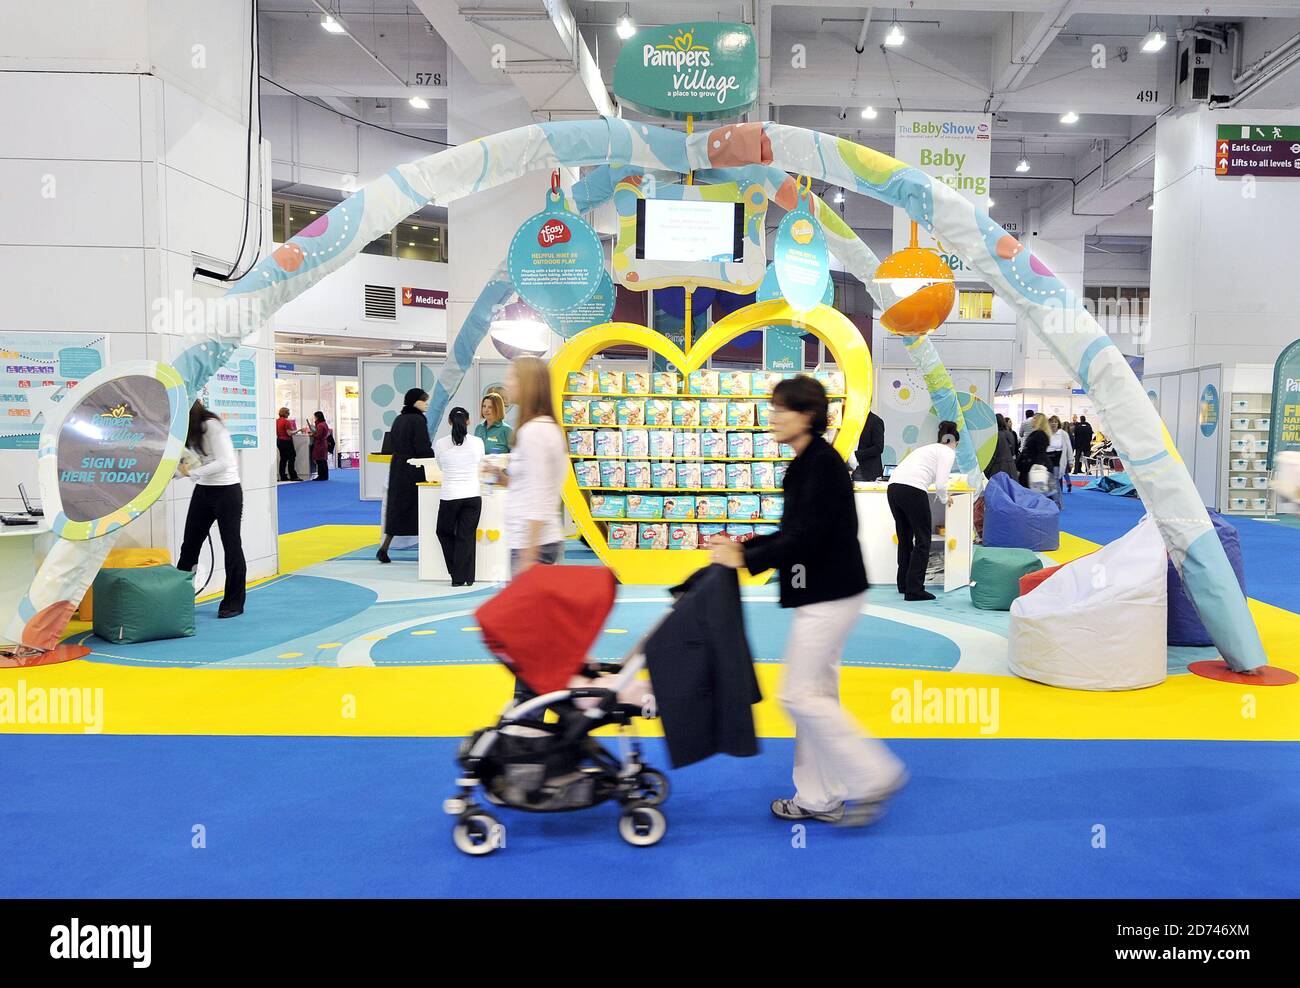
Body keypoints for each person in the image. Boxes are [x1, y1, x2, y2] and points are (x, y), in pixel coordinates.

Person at [709, 376, 905, 827]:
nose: (773, 417)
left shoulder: (820, 464)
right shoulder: (811, 462)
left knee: (798, 694)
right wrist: (747, 548)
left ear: (808, 416)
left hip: (829, 594)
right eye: (773, 408)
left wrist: (745, 554)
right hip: (829, 590)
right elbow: (799, 531)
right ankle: (819, 797)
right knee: (815, 695)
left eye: (783, 409)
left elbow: (805, 536)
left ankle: (876, 775)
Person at [485, 356, 567, 575]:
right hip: (535, 541)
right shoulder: (544, 428)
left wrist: (528, 557)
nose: (507, 382)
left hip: (532, 545)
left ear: (527, 383)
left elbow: (539, 495)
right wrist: (501, 477)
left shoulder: (534, 432)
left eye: (512, 376)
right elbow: (533, 483)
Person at [177, 401, 246, 619]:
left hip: (227, 491)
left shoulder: (211, 425)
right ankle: (177, 599)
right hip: (203, 491)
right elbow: (195, 462)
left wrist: (192, 474)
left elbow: (225, 461)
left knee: (231, 546)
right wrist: (179, 473)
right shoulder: (187, 429)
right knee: (189, 546)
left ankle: (234, 602)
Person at [887, 421, 959, 601]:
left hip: (893, 488)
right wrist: (945, 498)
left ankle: (903, 584)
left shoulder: (928, 449)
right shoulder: (947, 452)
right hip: (913, 490)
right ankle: (915, 589)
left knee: (905, 538)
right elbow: (942, 484)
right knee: (923, 539)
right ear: (954, 442)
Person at [376, 388, 435, 564]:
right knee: (421, 508)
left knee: (397, 508)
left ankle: (385, 547)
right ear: (414, 401)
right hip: (414, 469)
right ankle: (427, 551)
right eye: (424, 400)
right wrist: (433, 461)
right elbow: (422, 447)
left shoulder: (399, 419)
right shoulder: (418, 420)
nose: (427, 403)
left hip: (397, 468)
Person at [434, 406, 485, 586]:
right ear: (468, 421)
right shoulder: (478, 442)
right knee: (466, 536)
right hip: (473, 495)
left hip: (450, 496)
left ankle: (457, 575)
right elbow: (480, 462)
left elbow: (441, 467)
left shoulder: (440, 444)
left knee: (443, 532)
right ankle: (467, 577)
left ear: (449, 422)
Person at [1017, 412, 1053, 490]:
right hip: (1030, 467)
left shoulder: (1040, 435)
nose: (1032, 420)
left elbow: (1040, 453)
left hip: (1032, 468)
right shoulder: (1038, 434)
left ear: (1039, 421)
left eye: (1034, 419)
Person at [852, 409, 885, 482]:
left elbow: (878, 447)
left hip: (865, 470)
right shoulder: (851, 419)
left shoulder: (875, 421)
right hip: (849, 468)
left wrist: (856, 455)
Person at [984, 413, 1018, 482]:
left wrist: (986, 470)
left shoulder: (995, 436)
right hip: (1011, 468)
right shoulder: (1010, 434)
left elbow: (993, 455)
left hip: (998, 468)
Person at [1048, 415, 1074, 504]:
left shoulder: (1063, 434)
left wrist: (1070, 461)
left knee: (1055, 480)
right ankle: (1050, 501)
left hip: (1058, 459)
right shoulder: (1046, 433)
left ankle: (1057, 502)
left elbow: (1069, 448)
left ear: (1058, 423)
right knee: (1048, 481)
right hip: (1047, 459)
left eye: (1055, 422)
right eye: (1051, 422)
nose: (1053, 424)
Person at [275, 407, 300, 482]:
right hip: (287, 442)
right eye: (288, 412)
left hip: (279, 441)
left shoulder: (276, 421)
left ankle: (283, 476)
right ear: (285, 413)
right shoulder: (286, 422)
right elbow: (289, 433)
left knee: (283, 459)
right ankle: (293, 476)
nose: (289, 414)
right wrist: (299, 430)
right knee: (291, 458)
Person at [310, 411, 332, 481]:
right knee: (323, 460)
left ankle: (321, 476)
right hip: (323, 444)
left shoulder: (320, 425)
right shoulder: (323, 424)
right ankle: (324, 476)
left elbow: (318, 435)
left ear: (317, 417)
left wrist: (313, 435)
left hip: (320, 444)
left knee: (320, 460)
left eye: (315, 417)